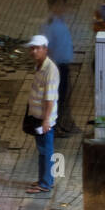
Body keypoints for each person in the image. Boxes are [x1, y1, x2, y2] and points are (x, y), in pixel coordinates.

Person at [25, 34, 60, 194]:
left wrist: (46, 120)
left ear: (45, 49)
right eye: (32, 48)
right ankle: (46, 180)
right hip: (37, 117)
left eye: (37, 48)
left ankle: (45, 184)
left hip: (44, 120)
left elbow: (50, 98)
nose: (34, 52)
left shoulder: (50, 70)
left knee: (46, 151)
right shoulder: (40, 66)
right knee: (43, 150)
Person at [41, 0, 80, 136]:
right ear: (51, 6)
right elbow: (47, 47)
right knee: (57, 98)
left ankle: (63, 125)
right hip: (56, 67)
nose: (61, 7)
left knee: (63, 96)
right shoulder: (50, 24)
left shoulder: (60, 22)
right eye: (57, 4)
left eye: (63, 4)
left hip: (63, 65)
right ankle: (54, 127)